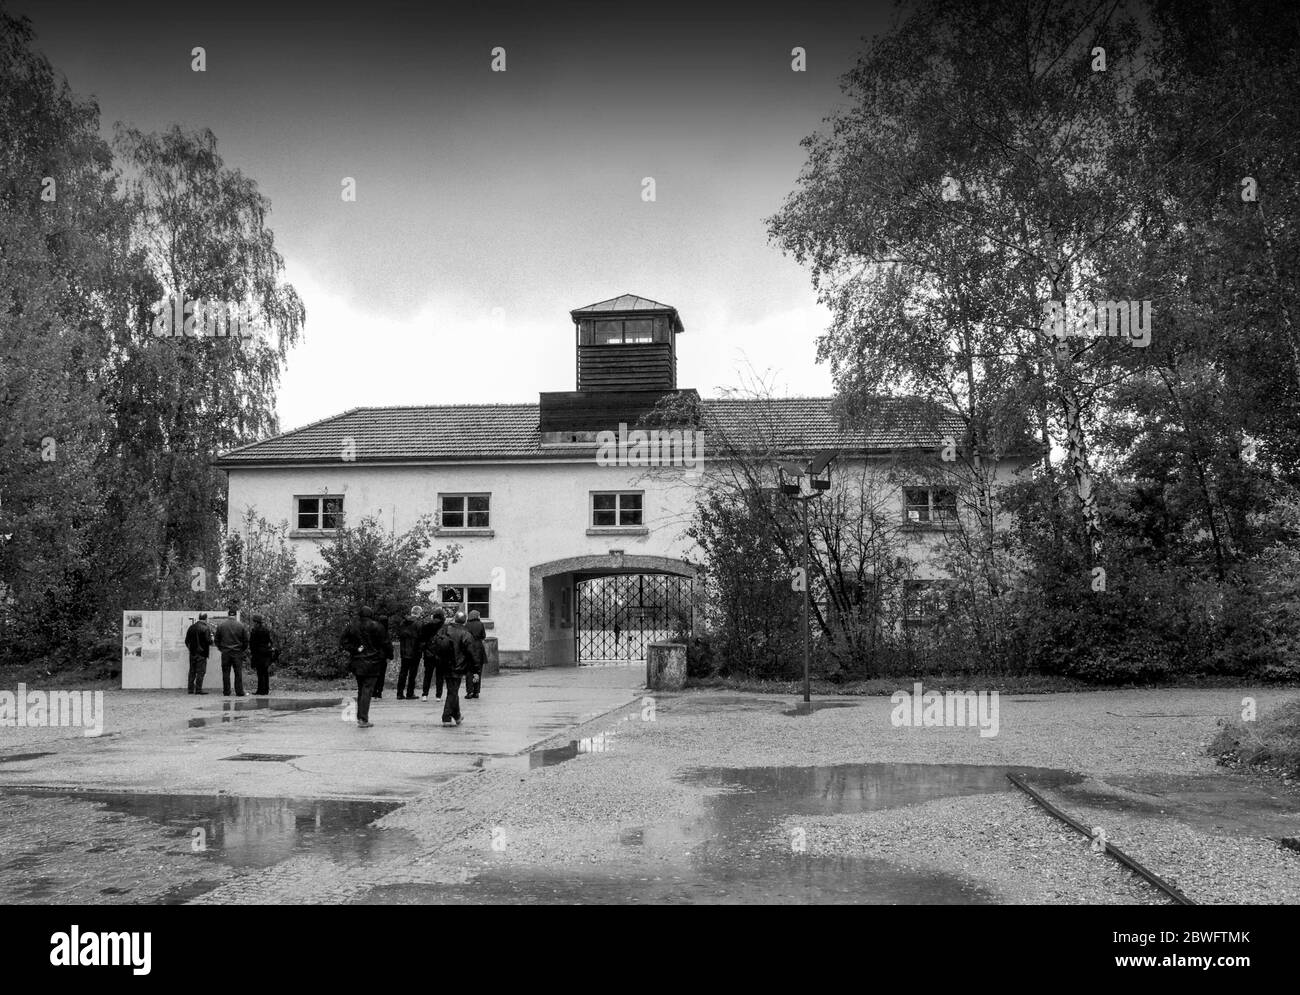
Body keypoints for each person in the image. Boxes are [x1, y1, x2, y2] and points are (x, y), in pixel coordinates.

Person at [340, 606, 386, 728]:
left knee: (361, 689)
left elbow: (343, 641)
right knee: (367, 690)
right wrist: (384, 656)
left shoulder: (352, 626)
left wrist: (355, 649)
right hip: (373, 662)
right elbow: (384, 644)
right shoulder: (377, 626)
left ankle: (360, 717)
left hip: (357, 661)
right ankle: (363, 718)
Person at [440, 610, 476, 725]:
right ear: (465, 621)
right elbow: (471, 653)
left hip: (445, 664)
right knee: (453, 692)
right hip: (458, 666)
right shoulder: (466, 634)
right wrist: (475, 670)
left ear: (454, 619)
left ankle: (457, 715)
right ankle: (446, 717)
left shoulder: (445, 630)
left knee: (452, 690)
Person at [214, 609, 249, 697]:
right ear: (235, 615)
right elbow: (245, 640)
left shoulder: (221, 626)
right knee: (238, 673)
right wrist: (242, 649)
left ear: (228, 615)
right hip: (237, 653)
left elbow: (216, 640)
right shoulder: (241, 626)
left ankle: (226, 692)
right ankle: (239, 692)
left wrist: (221, 648)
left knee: (226, 673)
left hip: (225, 653)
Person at [396, 605, 426, 700]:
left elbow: (400, 635)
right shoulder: (419, 624)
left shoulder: (403, 623)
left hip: (404, 651)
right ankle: (410, 693)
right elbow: (421, 638)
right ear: (419, 613)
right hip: (415, 652)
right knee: (412, 673)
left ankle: (399, 693)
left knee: (403, 672)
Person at [420, 608, 448, 701]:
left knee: (428, 675)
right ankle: (438, 696)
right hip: (441, 654)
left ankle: (425, 694)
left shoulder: (426, 626)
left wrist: (426, 651)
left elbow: (422, 641)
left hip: (429, 654)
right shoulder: (444, 627)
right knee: (439, 675)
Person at [183, 612, 212, 695]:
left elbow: (186, 641)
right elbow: (208, 641)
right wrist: (212, 639)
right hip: (202, 654)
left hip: (192, 653)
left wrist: (191, 649)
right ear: (206, 619)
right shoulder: (206, 628)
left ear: (199, 618)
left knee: (192, 671)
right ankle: (198, 690)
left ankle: (190, 689)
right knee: (201, 671)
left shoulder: (191, 627)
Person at [248, 613, 275, 696]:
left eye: (254, 621)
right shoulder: (266, 630)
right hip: (266, 653)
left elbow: (252, 643)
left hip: (258, 654)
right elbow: (270, 641)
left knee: (260, 672)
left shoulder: (254, 631)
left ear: (256, 622)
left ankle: (260, 690)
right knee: (265, 672)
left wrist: (252, 652)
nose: (253, 623)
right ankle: (266, 690)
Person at [464, 609, 487, 699]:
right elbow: (483, 636)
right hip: (478, 648)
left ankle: (469, 691)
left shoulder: (466, 624)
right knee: (478, 671)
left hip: (469, 648)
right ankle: (476, 691)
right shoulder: (480, 624)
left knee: (469, 672)